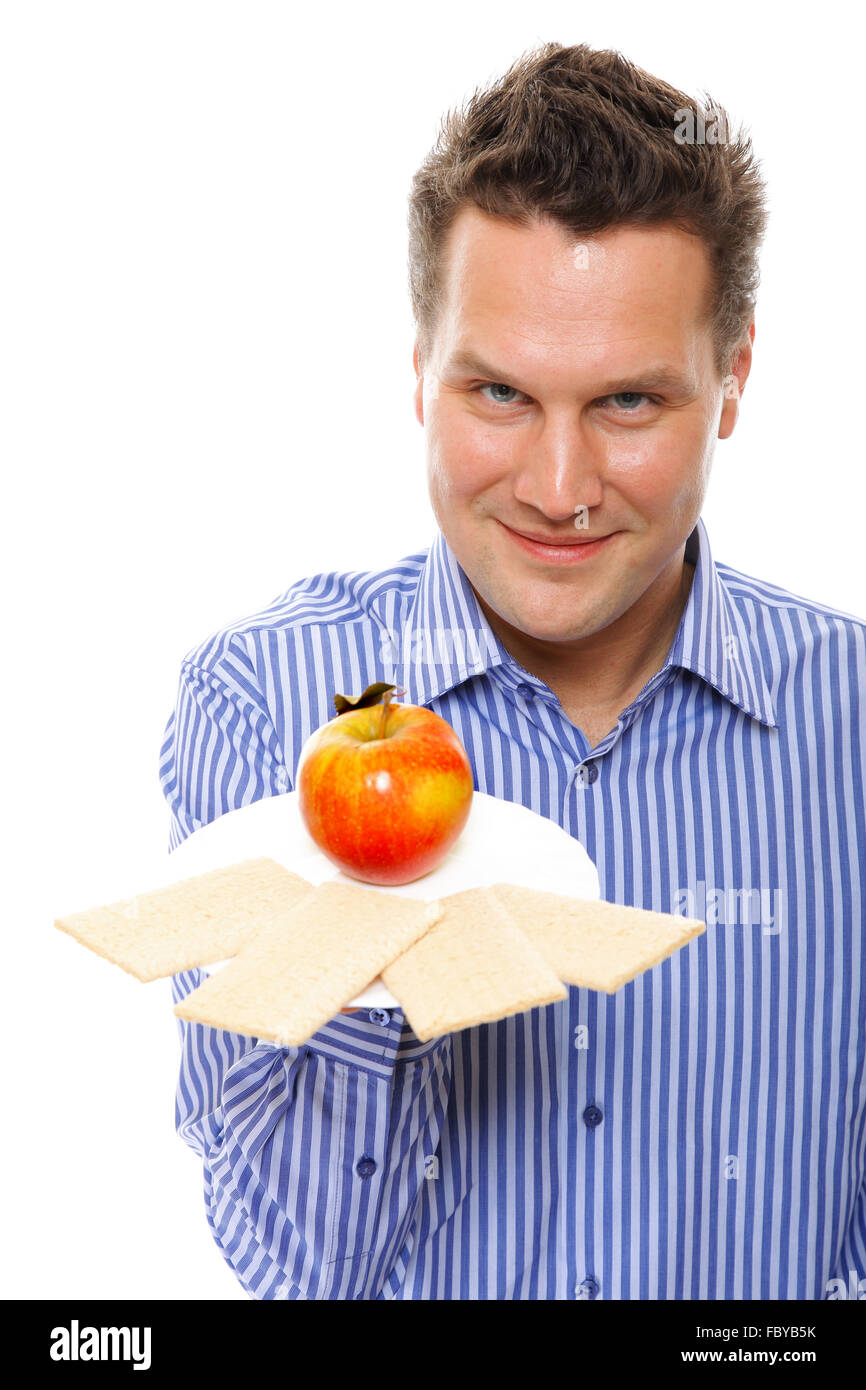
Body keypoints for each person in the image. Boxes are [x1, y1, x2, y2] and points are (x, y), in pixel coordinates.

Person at [159, 41, 866, 1300]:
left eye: (629, 405)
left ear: (732, 383)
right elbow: (297, 1268)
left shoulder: (851, 725)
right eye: (497, 391)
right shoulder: (268, 706)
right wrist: (364, 955)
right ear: (418, 372)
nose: (555, 489)